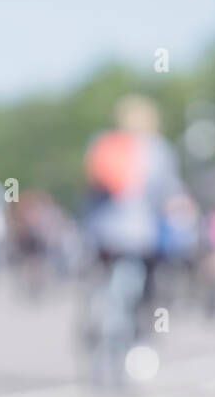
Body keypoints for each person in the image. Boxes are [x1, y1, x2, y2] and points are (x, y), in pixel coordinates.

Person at [80, 94, 187, 307]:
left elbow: (90, 183)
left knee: (103, 275)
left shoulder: (104, 142)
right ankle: (134, 318)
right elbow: (169, 191)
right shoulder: (158, 149)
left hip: (103, 229)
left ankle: (98, 309)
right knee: (141, 281)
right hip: (142, 232)